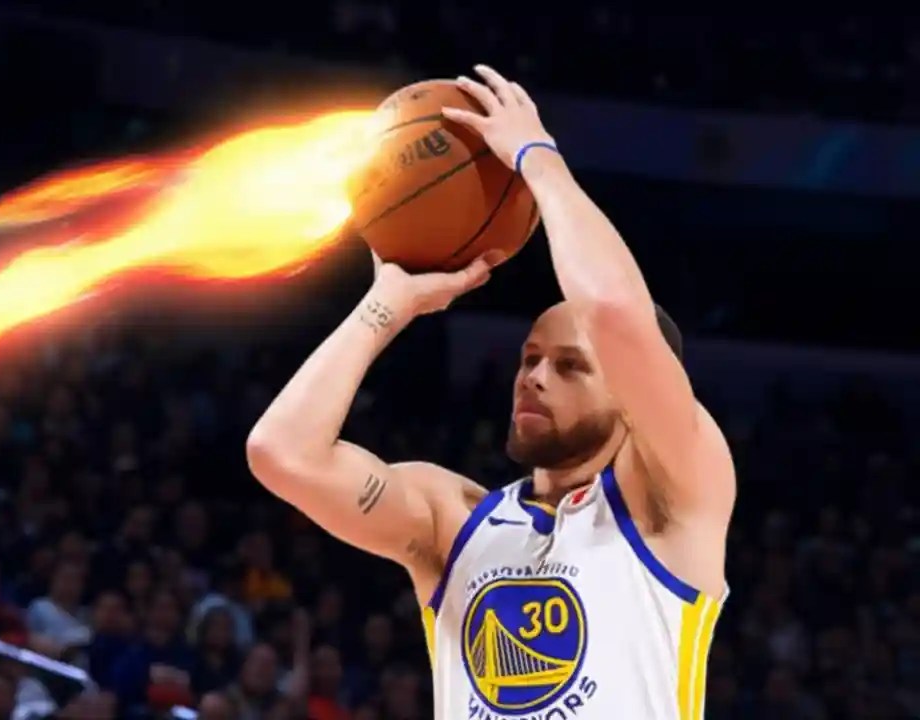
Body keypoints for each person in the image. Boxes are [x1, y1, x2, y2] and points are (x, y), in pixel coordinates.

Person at [247, 64, 735, 719]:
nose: (534, 376)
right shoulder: (452, 521)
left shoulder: (673, 503)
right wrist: (386, 304)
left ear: (635, 400)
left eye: (570, 366)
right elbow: (281, 452)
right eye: (531, 358)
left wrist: (539, 161)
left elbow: (617, 314)